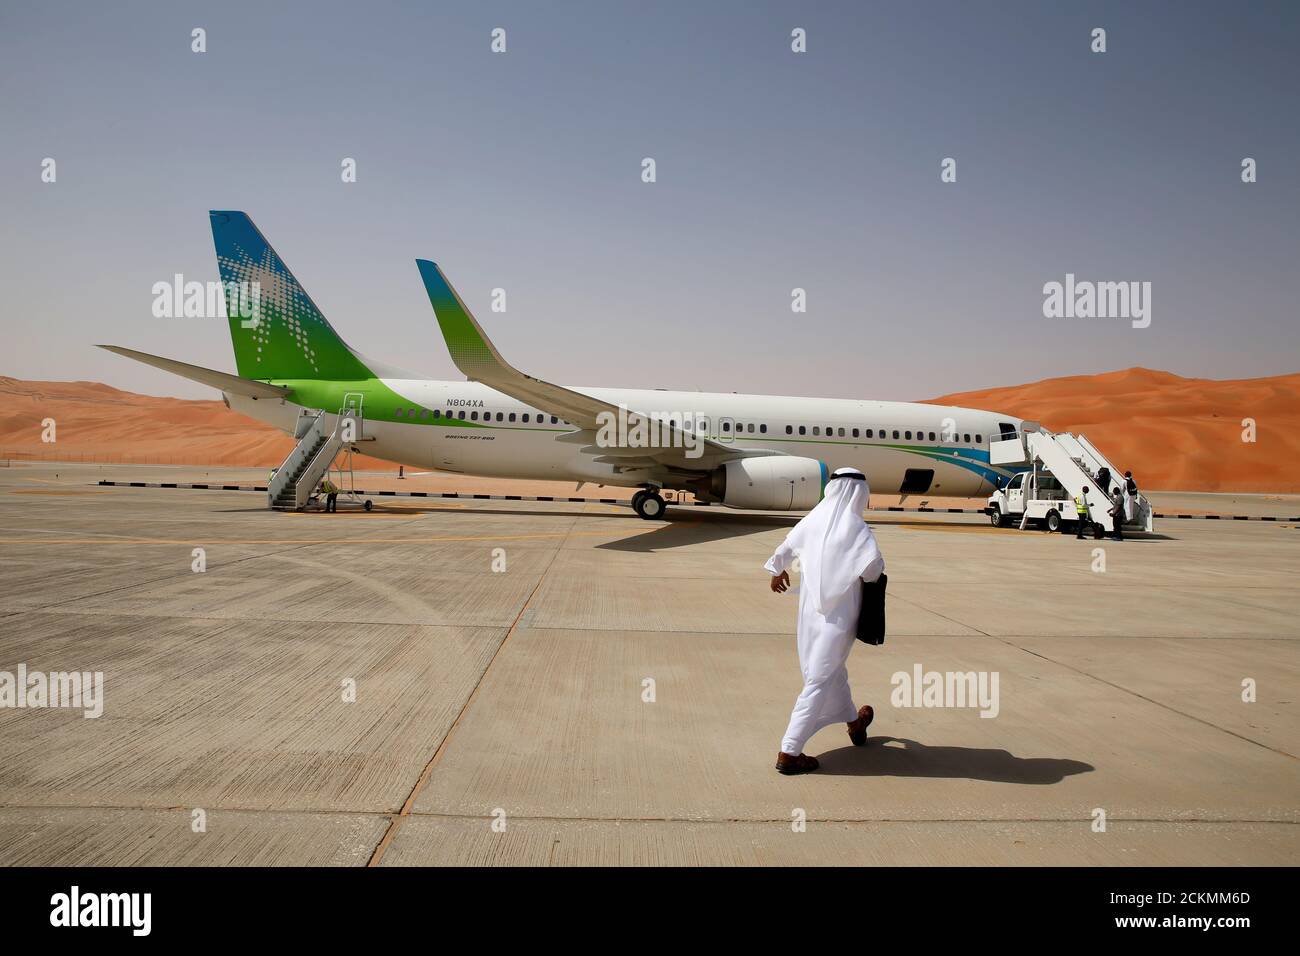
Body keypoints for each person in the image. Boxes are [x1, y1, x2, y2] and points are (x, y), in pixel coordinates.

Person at [764, 467, 884, 775]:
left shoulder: (812, 519)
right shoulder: (856, 528)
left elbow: (784, 549)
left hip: (809, 615)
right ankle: (790, 751)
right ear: (858, 493)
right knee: (819, 677)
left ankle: (856, 724)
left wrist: (779, 570)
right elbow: (873, 568)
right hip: (839, 618)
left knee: (830, 670)